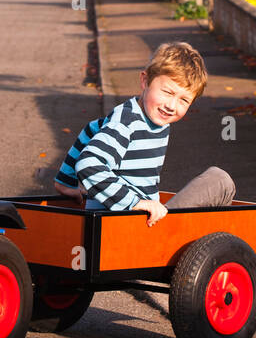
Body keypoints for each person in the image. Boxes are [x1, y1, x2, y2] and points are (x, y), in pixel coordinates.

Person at [53, 41, 234, 223]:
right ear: (145, 80)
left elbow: (91, 129)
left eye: (184, 100)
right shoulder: (127, 123)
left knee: (218, 180)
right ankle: (211, 248)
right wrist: (135, 203)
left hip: (136, 217)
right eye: (167, 92)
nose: (171, 106)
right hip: (126, 223)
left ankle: (208, 247)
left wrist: (65, 181)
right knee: (219, 180)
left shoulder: (139, 116)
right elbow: (88, 164)